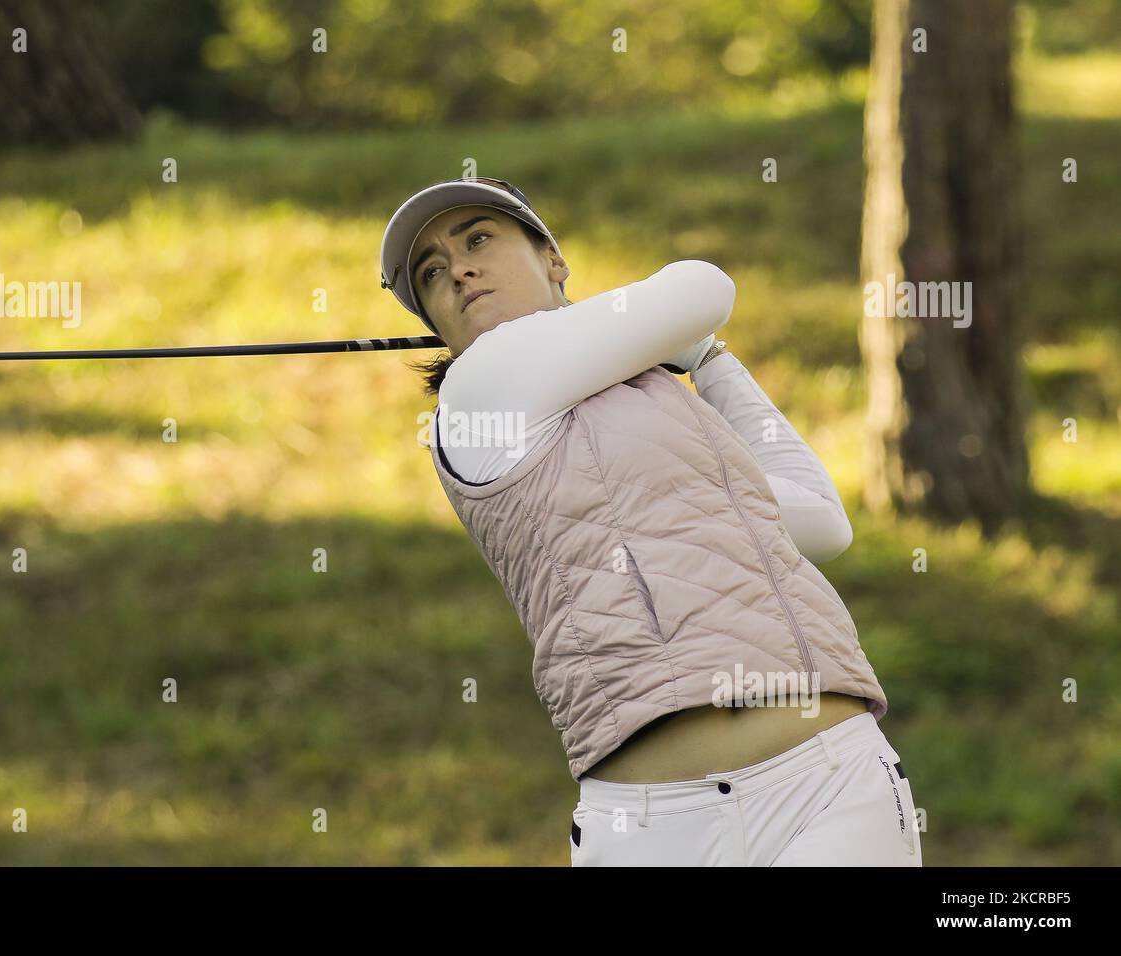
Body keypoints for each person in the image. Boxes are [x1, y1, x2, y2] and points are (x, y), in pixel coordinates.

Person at [380, 176, 921, 866]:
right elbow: (702, 287)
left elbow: (819, 523)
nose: (457, 268)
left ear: (553, 258)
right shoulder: (481, 386)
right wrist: (686, 333)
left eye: (477, 239)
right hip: (654, 827)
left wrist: (712, 362)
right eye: (431, 272)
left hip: (830, 787)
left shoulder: (663, 404)